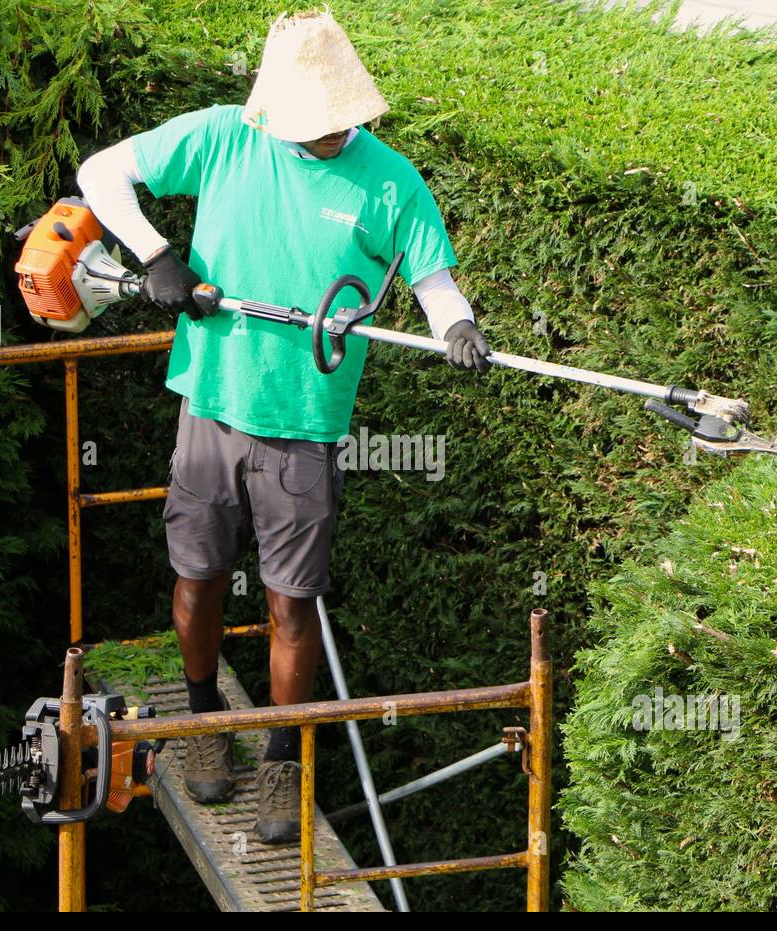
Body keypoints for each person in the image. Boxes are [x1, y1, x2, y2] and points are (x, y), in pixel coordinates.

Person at [77, 7, 490, 843]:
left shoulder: (392, 182)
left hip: (305, 428)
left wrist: (456, 323)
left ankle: (280, 760)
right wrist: (158, 255)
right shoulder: (226, 138)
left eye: (334, 122)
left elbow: (432, 274)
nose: (323, 135)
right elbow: (99, 174)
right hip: (211, 405)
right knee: (195, 579)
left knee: (290, 604)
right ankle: (204, 726)